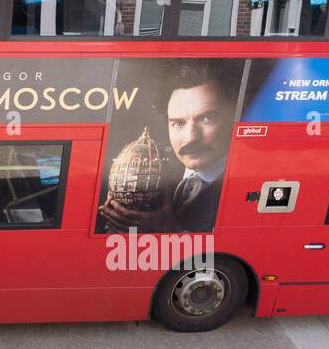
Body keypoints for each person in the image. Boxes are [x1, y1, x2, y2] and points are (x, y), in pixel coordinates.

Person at [99, 61, 233, 233]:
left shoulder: (247, 184)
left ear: (231, 118)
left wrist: (170, 230)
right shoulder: (152, 174)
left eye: (207, 118)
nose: (191, 137)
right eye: (178, 123)